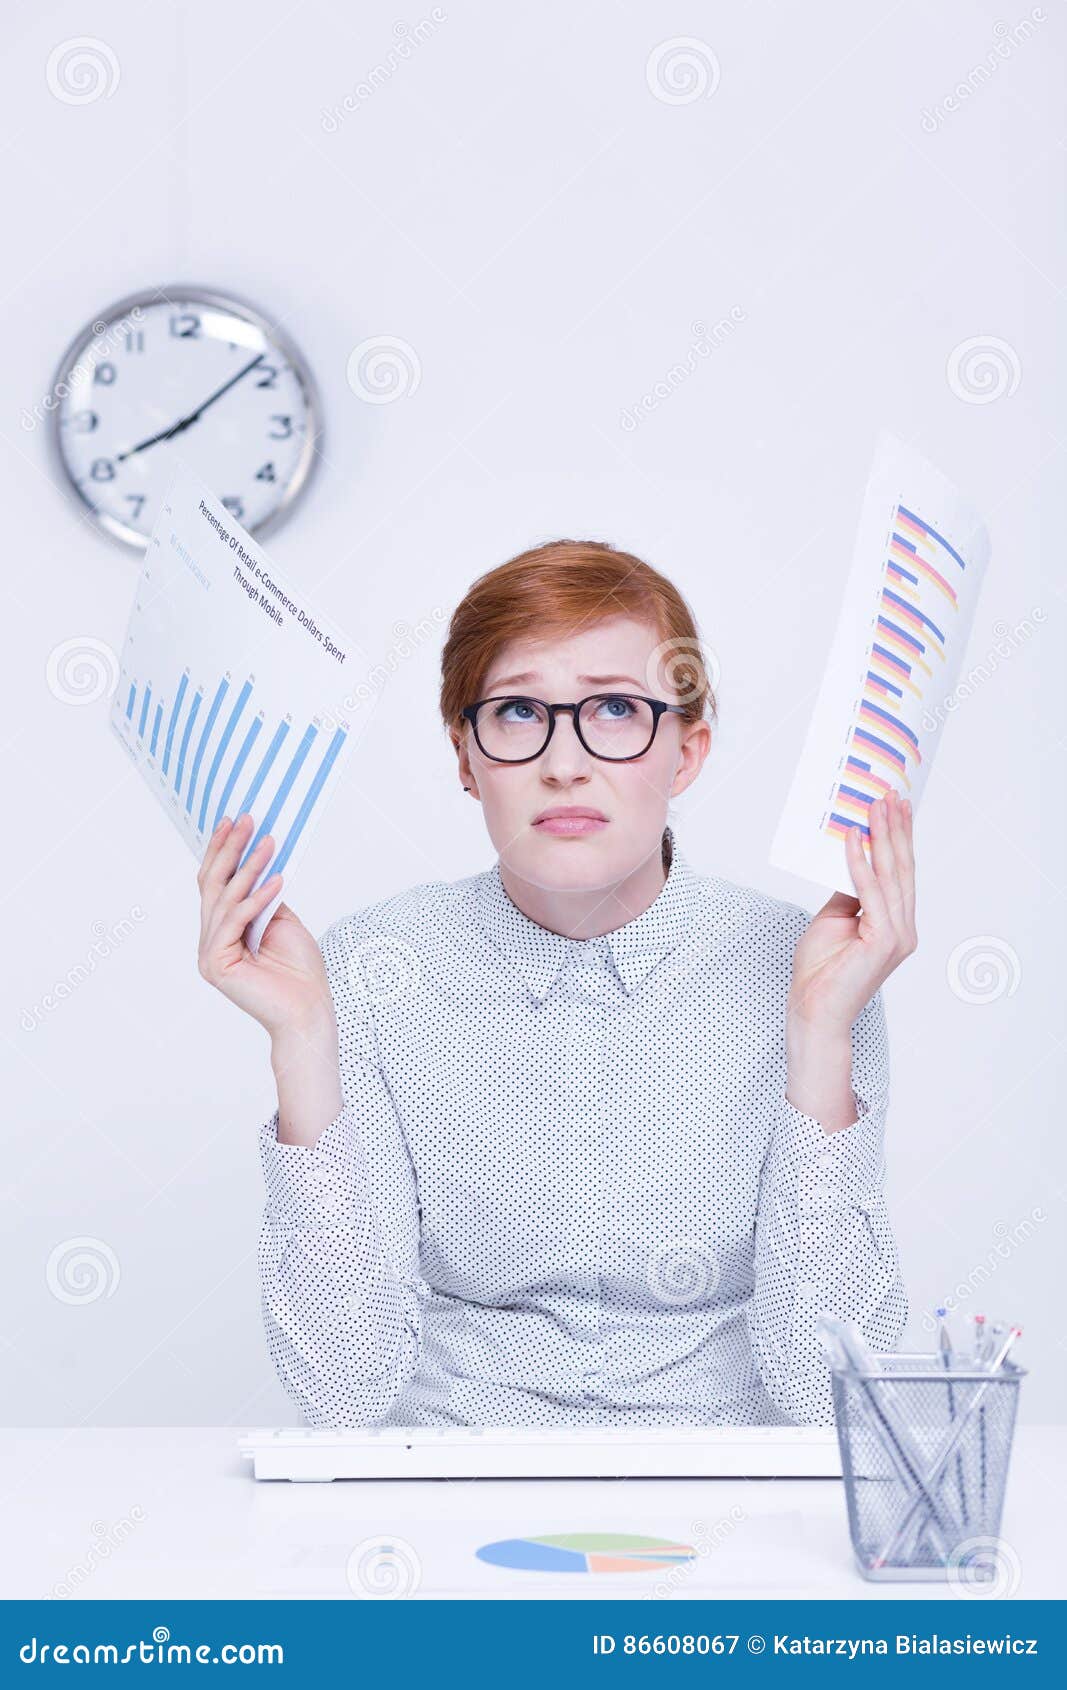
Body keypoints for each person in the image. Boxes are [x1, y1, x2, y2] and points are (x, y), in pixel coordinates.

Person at [197, 539, 915, 1428]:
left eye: (614, 709)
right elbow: (344, 1393)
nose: (564, 762)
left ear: (685, 754)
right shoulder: (366, 968)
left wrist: (819, 1036)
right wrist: (303, 1041)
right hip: (447, 1487)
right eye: (518, 712)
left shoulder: (810, 968)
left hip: (730, 1492)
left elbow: (829, 1397)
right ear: (466, 757)